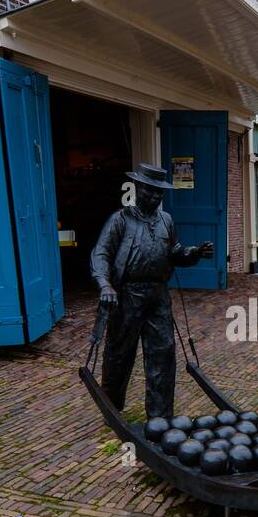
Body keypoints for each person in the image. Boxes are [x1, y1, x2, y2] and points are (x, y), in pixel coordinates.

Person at [89, 163, 214, 420]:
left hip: (158, 296)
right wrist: (105, 284)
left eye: (159, 193)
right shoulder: (120, 220)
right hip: (127, 296)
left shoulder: (166, 220)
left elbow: (175, 251)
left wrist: (194, 253)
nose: (155, 197)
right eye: (150, 191)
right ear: (137, 188)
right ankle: (112, 407)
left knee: (163, 353)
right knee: (119, 354)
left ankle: (160, 415)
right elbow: (100, 254)